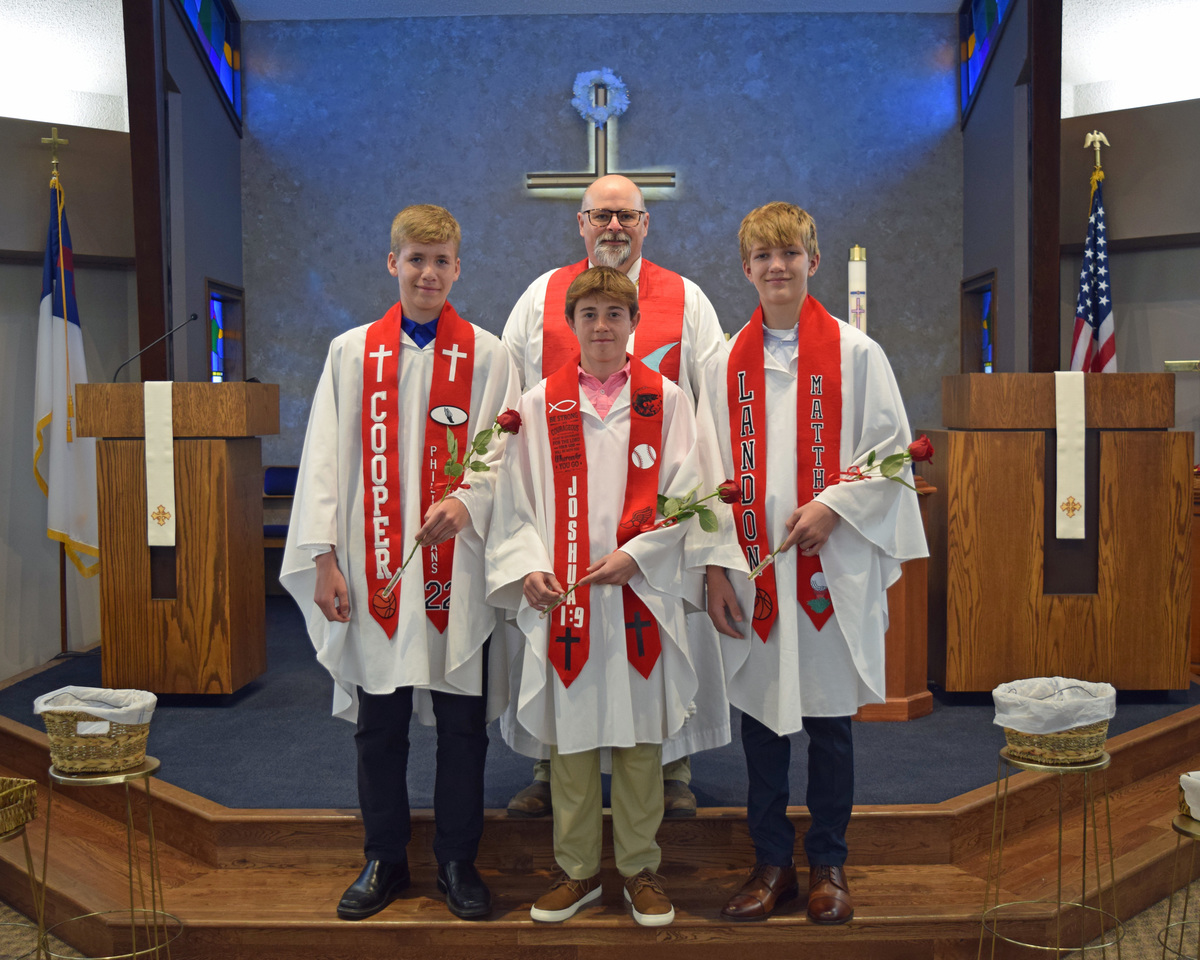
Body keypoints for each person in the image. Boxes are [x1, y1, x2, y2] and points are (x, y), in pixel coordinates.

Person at [280, 205, 520, 922]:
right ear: (393, 264)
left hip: (458, 569)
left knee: (461, 725)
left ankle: (457, 859)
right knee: (378, 723)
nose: (428, 272)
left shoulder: (487, 355)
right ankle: (383, 856)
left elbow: (506, 451)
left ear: (458, 267)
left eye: (442, 259)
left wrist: (471, 501)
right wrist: (322, 558)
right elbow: (324, 459)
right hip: (373, 564)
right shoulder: (352, 353)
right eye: (416, 259)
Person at [697, 203, 927, 924]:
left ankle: (828, 861)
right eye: (763, 257)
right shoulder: (719, 364)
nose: (777, 267)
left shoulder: (859, 355)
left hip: (830, 565)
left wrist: (836, 505)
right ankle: (771, 863)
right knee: (762, 721)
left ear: (812, 261)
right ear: (746, 270)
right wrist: (711, 569)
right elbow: (701, 476)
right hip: (755, 568)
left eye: (790, 253)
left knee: (830, 719)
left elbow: (891, 454)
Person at [501, 173, 729, 819]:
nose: (614, 227)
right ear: (580, 222)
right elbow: (511, 405)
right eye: (601, 215)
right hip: (559, 508)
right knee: (561, 637)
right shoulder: (542, 295)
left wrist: (700, 522)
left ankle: (672, 765)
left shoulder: (686, 299)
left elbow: (707, 407)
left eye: (626, 216)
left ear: (645, 224)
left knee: (656, 633)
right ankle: (551, 766)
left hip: (652, 506)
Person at [487, 267, 707, 926]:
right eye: (591, 314)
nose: (604, 326)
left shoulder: (665, 402)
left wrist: (640, 554)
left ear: (634, 323)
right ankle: (577, 870)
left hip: (638, 594)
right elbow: (511, 503)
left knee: (640, 740)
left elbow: (690, 493)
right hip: (567, 602)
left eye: (616, 313)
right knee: (573, 739)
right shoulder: (535, 406)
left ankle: (641, 869)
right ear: (571, 324)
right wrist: (526, 566)